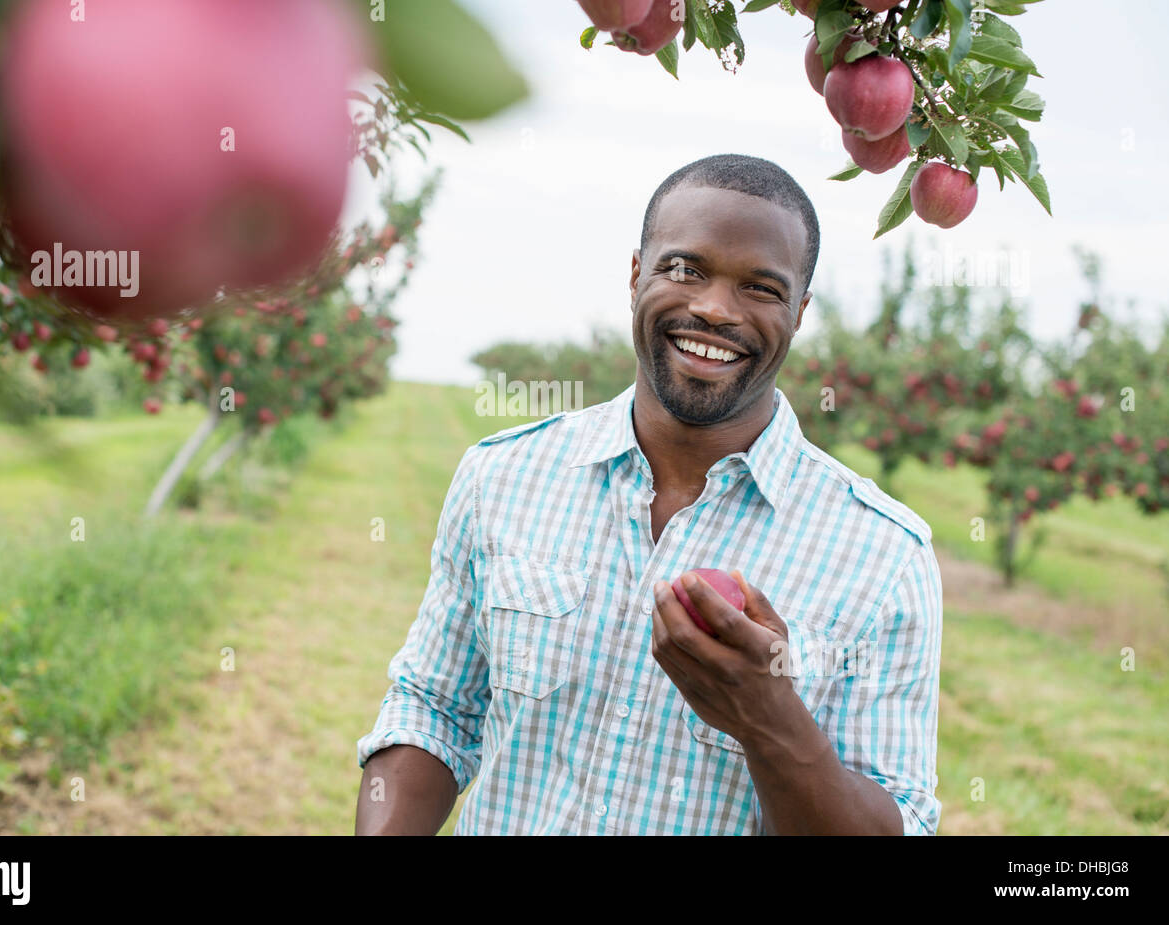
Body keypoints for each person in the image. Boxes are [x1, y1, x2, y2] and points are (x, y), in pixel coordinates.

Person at [355, 154, 943, 835]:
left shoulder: (884, 557)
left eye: (760, 287)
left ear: (799, 311)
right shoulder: (503, 477)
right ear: (636, 272)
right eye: (685, 268)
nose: (713, 308)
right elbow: (434, 708)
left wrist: (768, 712)